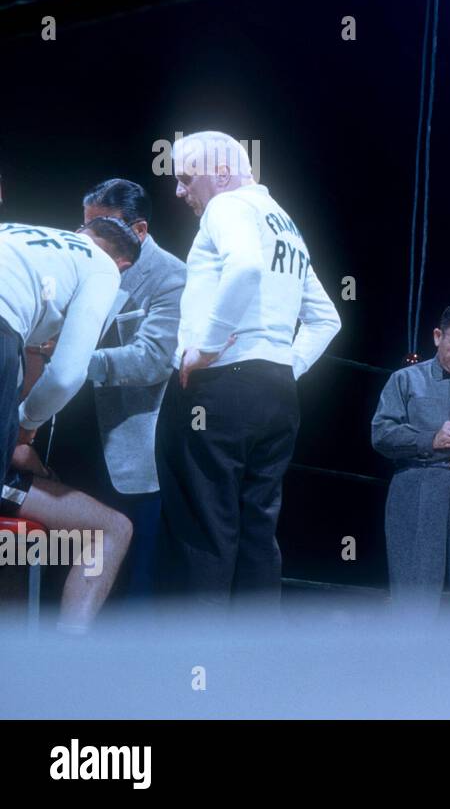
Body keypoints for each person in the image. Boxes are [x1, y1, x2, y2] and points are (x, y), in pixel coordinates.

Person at [156, 131, 341, 605]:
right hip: (275, 392)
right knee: (258, 531)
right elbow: (327, 318)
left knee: (204, 529)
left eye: (185, 178)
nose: (179, 191)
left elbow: (244, 269)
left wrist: (208, 348)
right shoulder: (284, 223)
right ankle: (253, 667)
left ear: (220, 174)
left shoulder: (228, 206)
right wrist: (283, 366)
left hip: (220, 388)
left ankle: (196, 668)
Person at [1, 218, 141, 631]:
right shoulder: (101, 267)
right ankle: (65, 677)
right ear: (123, 265)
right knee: (113, 529)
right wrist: (28, 427)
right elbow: (66, 376)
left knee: (16, 543)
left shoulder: (17, 235)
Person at [79, 178, 186, 600]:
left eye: (102, 227)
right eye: (86, 225)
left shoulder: (171, 276)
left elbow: (152, 360)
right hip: (75, 444)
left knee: (135, 582)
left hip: (133, 453)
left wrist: (74, 364)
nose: (90, 237)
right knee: (79, 564)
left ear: (138, 231)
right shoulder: (84, 263)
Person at [372, 303, 450, 618]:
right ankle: (411, 664)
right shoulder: (404, 379)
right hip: (419, 487)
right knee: (414, 594)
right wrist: (429, 439)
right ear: (437, 336)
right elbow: (381, 434)